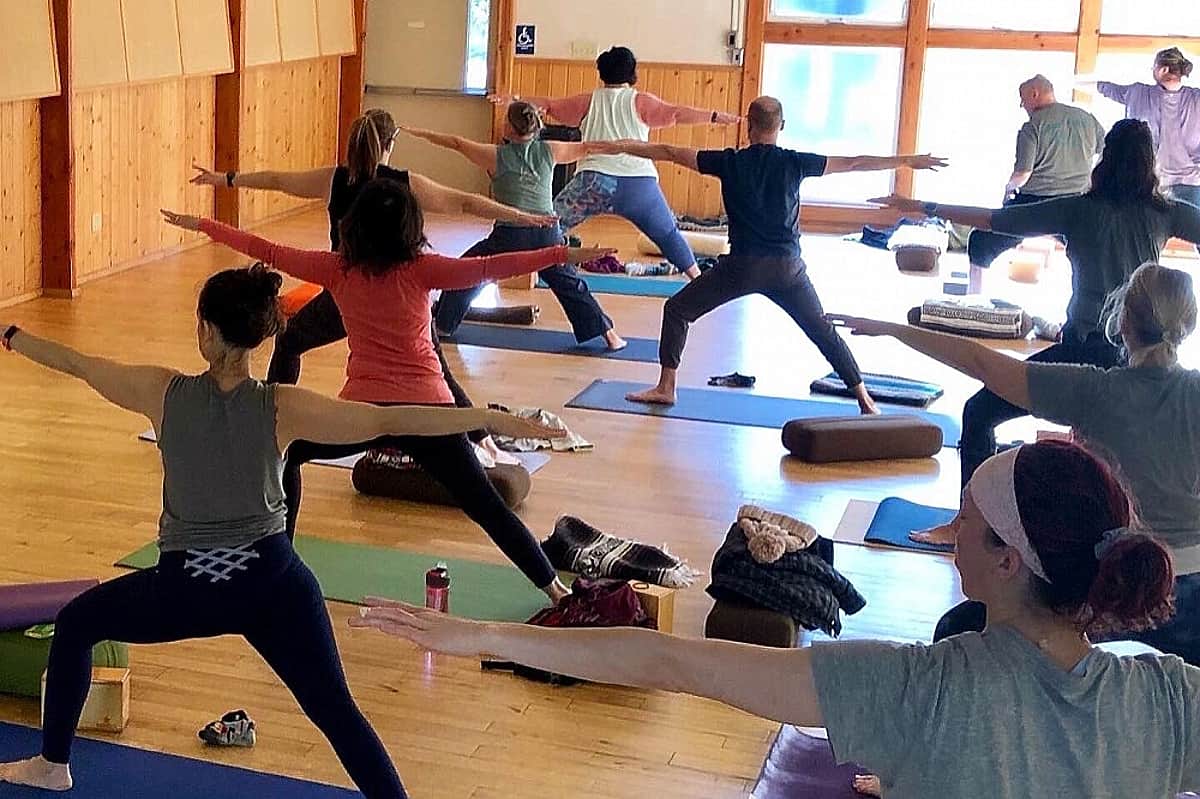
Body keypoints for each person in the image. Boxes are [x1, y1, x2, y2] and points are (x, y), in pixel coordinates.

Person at [352, 441, 1198, 799]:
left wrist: (485, 633)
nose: (949, 531)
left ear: (1009, 560)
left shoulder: (916, 687)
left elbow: (668, 661)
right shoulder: (1167, 695)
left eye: (965, 519)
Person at [0, 265, 562, 795]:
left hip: (183, 590)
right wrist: (487, 418)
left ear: (207, 331)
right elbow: (390, 417)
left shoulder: (161, 392)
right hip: (272, 587)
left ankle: (53, 766)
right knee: (338, 714)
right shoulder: (281, 406)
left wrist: (11, 333)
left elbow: (75, 362)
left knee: (76, 623)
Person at [162, 179, 611, 603]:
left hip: (364, 413)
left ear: (355, 224)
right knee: (486, 506)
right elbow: (492, 267)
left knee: (292, 454)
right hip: (428, 412)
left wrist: (204, 225)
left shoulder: (338, 270)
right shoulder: (422, 269)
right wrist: (561, 255)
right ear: (410, 229)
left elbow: (268, 250)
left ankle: (280, 564)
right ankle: (555, 591)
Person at [832, 262, 1200, 665]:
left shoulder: (1093, 390)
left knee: (957, 632)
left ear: (1125, 321)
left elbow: (980, 362)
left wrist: (892, 329)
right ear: (1187, 325)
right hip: (1190, 599)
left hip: (1104, 594)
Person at [191, 108, 552, 462]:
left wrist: (226, 179)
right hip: (400, 297)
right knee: (436, 368)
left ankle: (268, 422)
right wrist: (522, 217)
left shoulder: (333, 179)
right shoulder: (405, 183)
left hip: (347, 294)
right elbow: (465, 203)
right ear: (390, 143)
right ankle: (482, 440)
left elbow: (277, 180)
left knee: (290, 341)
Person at [871, 118, 1200, 487]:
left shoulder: (1078, 209)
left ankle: (969, 517)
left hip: (1085, 349)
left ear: (1104, 159)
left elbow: (996, 220)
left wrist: (923, 206)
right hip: (1140, 357)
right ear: (1149, 163)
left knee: (979, 412)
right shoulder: (1166, 212)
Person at [584, 96, 947, 411]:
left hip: (741, 267)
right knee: (822, 331)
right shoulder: (795, 162)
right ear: (781, 126)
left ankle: (666, 387)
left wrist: (610, 146)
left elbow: (665, 151)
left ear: (748, 125)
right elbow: (853, 162)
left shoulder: (728, 161)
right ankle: (865, 399)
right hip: (788, 269)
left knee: (678, 310)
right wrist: (908, 160)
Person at [489, 46, 741, 280]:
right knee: (668, 235)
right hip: (640, 186)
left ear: (602, 73)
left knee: (546, 223)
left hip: (595, 183)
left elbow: (547, 106)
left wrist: (515, 98)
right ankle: (697, 279)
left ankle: (514, 268)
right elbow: (676, 113)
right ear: (633, 73)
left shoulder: (587, 102)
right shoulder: (641, 101)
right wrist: (715, 116)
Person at [396, 101, 626, 350]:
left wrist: (417, 132)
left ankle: (442, 326)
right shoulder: (550, 150)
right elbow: (589, 148)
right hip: (546, 235)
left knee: (467, 271)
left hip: (509, 236)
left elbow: (456, 143)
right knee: (570, 285)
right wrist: (628, 147)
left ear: (510, 128)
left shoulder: (495, 155)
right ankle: (609, 335)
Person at [967, 74, 1106, 269]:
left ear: (1035, 94)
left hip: (1034, 202)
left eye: (1023, 100)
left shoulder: (1033, 126)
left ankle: (975, 295)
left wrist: (1008, 189)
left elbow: (1023, 174)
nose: (1022, 106)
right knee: (1091, 253)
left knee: (980, 241)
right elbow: (1105, 152)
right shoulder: (1087, 119)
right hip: (1078, 201)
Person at [1084, 47, 1200, 205]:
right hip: (1192, 181)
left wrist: (1071, 82)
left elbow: (1104, 88)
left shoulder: (1138, 93)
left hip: (1149, 181)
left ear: (1163, 69)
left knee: (1149, 228)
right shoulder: (1197, 99)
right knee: (1190, 227)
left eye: (1154, 67)